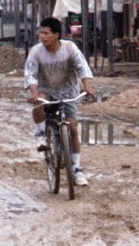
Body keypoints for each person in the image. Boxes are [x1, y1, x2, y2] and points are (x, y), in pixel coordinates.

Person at [25, 16, 99, 186]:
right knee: (39, 102)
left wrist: (87, 86)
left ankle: (77, 168)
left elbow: (82, 67)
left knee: (72, 127)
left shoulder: (69, 48)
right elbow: (30, 73)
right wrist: (34, 92)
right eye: (41, 33)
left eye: (46, 33)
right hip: (46, 90)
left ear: (57, 34)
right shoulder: (36, 51)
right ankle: (41, 134)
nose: (42, 37)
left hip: (68, 91)